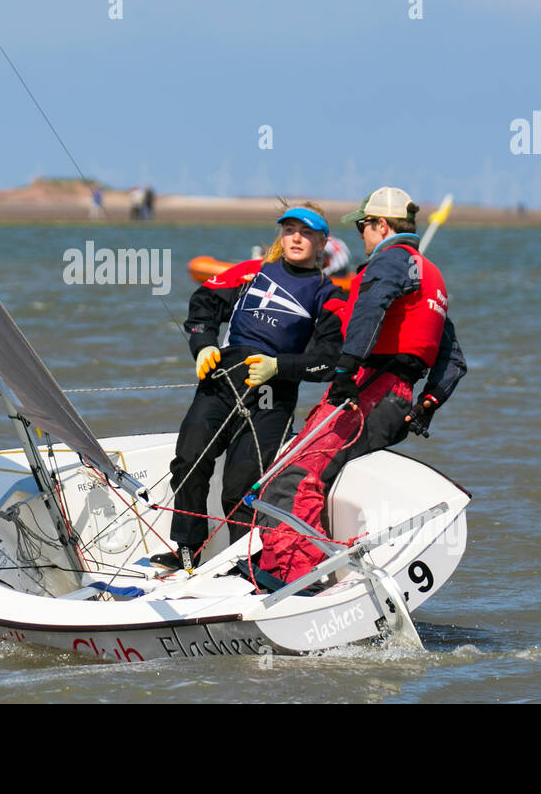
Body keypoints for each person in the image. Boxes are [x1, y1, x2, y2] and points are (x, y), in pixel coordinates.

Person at [254, 187, 466, 584]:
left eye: (363, 227)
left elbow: (370, 309)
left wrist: (345, 374)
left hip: (371, 390)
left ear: (381, 226)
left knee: (295, 474)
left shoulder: (390, 261)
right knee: (313, 470)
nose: (360, 236)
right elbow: (453, 360)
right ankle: (306, 562)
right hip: (397, 399)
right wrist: (427, 406)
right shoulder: (431, 277)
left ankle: (292, 577)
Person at [151, 205, 348, 572]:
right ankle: (186, 552)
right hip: (224, 377)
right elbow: (202, 306)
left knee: (240, 487)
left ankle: (241, 567)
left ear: (322, 242)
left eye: (306, 233)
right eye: (289, 230)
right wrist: (204, 345)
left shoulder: (327, 294)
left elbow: (329, 359)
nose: (296, 238)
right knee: (190, 460)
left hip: (273, 394)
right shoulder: (252, 272)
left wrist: (280, 366)